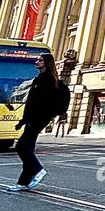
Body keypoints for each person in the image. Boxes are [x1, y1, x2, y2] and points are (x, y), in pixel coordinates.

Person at [12, 52, 69, 190]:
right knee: (28, 148)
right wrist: (23, 121)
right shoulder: (40, 79)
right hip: (33, 118)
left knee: (21, 147)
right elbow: (32, 102)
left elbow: (44, 103)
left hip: (38, 118)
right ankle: (23, 182)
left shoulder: (48, 80)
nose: (37, 62)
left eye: (40, 60)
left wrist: (45, 116)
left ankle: (38, 170)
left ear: (47, 63)